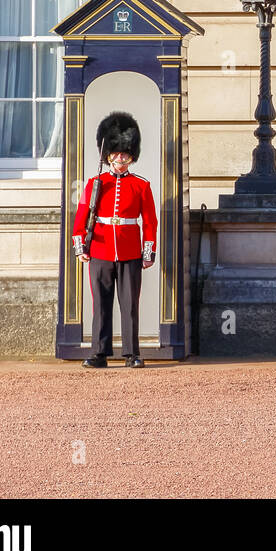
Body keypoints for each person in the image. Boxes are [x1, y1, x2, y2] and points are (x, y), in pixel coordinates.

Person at [72, 111, 157, 369]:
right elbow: (82, 215)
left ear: (131, 156)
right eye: (117, 153)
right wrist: (80, 245)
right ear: (108, 154)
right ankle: (99, 353)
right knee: (101, 304)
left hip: (130, 249)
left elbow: (150, 221)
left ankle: (132, 353)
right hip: (100, 248)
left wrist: (148, 251)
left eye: (125, 154)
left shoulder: (141, 185)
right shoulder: (95, 183)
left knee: (129, 305)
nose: (121, 158)